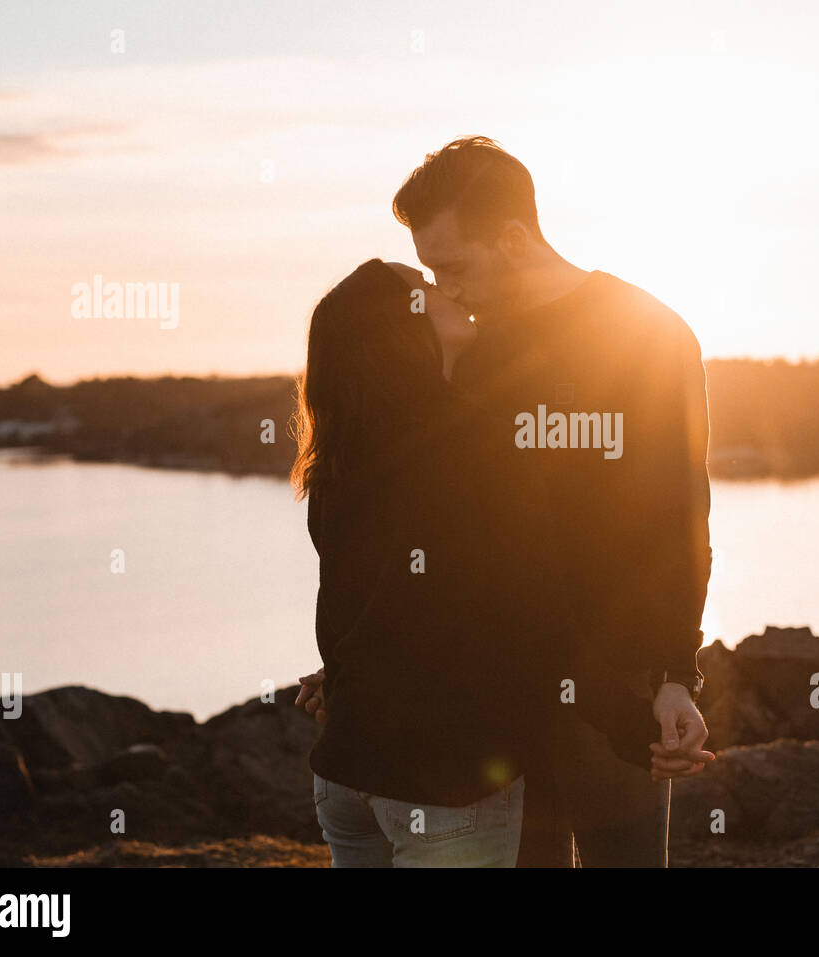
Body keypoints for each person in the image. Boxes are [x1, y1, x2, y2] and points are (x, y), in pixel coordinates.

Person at [391, 135, 716, 866]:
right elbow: (442, 529)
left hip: (618, 692)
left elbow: (681, 515)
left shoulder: (650, 335)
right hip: (492, 696)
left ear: (511, 238)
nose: (446, 291)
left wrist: (674, 676)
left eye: (455, 268)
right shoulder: (467, 358)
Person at [291, 257, 552, 866]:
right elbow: (524, 606)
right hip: (444, 780)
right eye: (427, 286)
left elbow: (386, 605)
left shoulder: (338, 468)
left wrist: (346, 674)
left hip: (347, 772)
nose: (448, 287)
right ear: (399, 326)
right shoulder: (474, 449)